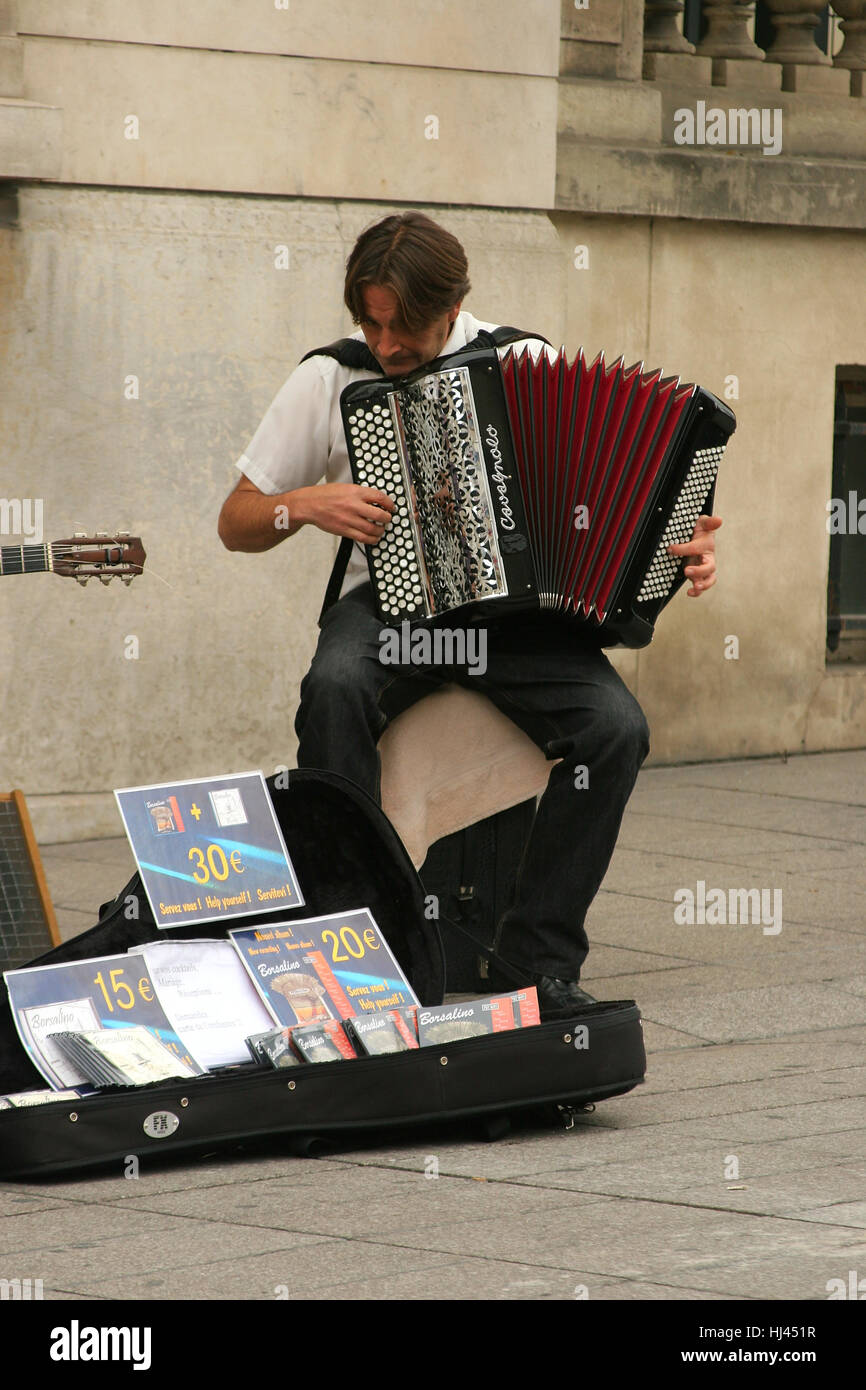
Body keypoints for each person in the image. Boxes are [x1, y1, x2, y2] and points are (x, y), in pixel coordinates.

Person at [218, 212, 721, 1016]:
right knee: (336, 686)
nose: (385, 344)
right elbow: (235, 521)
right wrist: (303, 504)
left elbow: (615, 507)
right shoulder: (331, 377)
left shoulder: (525, 361)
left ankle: (539, 960)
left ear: (454, 307)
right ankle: (350, 940)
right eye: (370, 321)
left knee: (615, 729)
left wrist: (677, 546)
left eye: (405, 324)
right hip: (391, 605)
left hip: (514, 622)